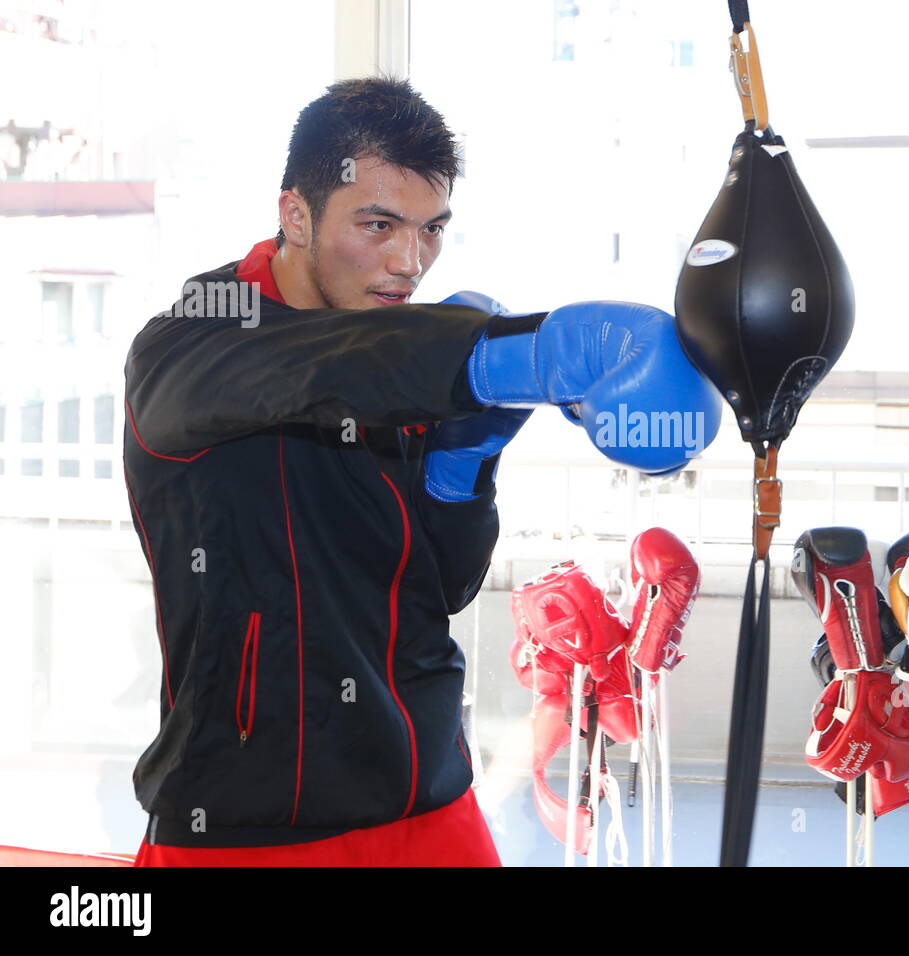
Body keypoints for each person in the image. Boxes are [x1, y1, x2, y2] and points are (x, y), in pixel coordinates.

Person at [124, 75, 718, 866]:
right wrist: (521, 354)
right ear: (295, 214)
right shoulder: (193, 342)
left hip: (430, 794)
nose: (410, 262)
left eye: (431, 228)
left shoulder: (398, 348)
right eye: (378, 225)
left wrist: (460, 471)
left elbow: (438, 589)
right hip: (248, 822)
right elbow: (313, 369)